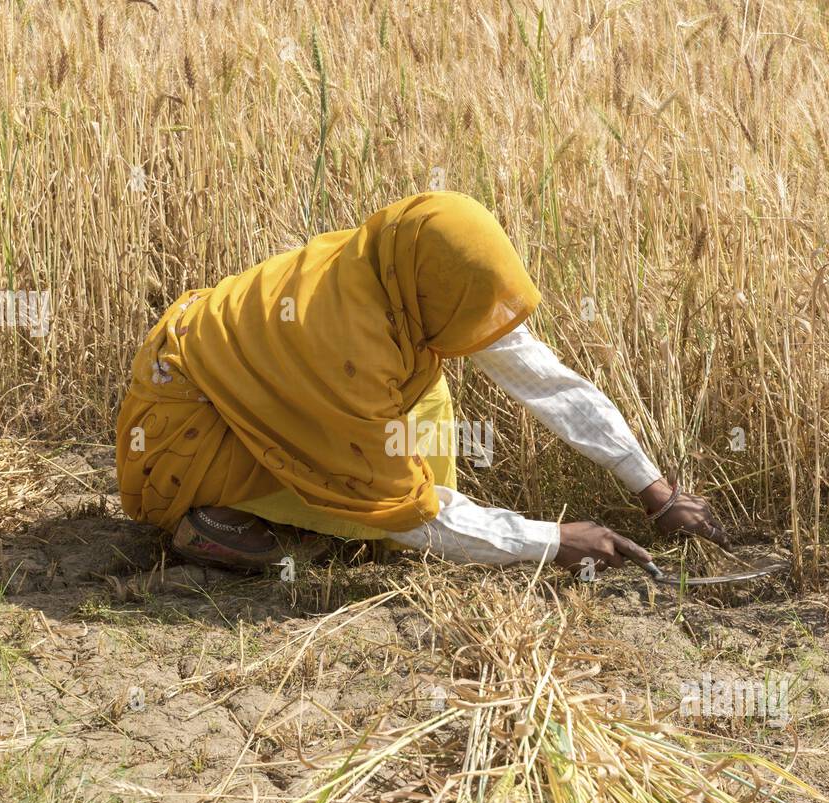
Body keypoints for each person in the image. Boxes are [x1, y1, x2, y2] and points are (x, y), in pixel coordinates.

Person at [115, 191, 728, 575]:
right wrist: (548, 540)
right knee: (385, 504)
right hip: (189, 430)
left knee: (429, 389)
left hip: (262, 391)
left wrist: (652, 485)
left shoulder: (396, 270)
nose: (483, 328)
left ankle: (401, 522)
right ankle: (208, 520)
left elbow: (541, 377)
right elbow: (405, 511)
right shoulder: (347, 344)